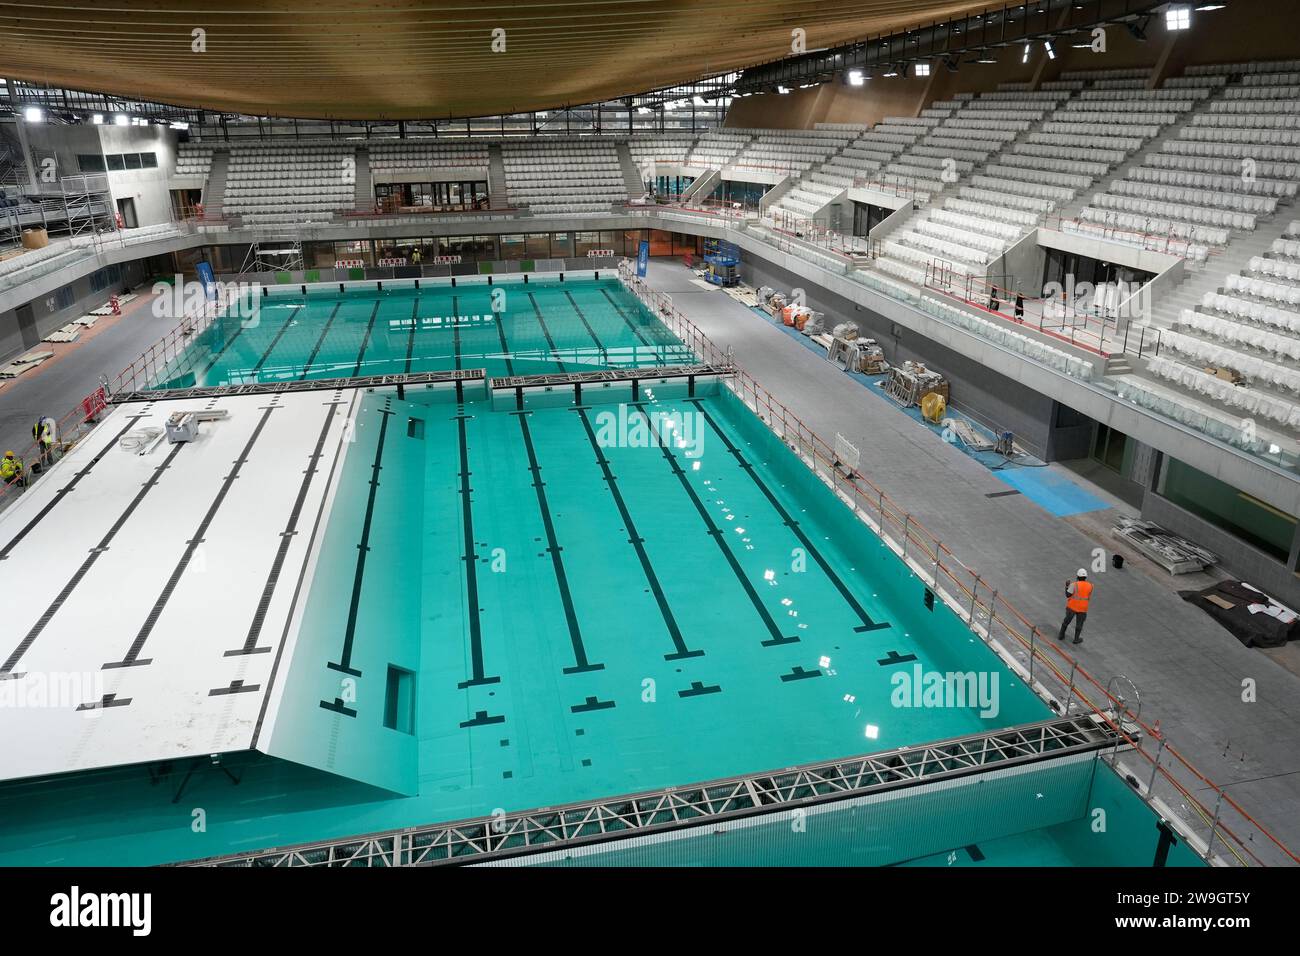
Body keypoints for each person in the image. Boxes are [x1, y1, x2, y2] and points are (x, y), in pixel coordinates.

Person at [1058, 568, 1093, 645]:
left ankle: (1061, 635)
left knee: (1066, 621)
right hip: (1083, 608)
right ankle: (1076, 639)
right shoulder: (1090, 586)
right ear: (1085, 577)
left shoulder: (1074, 585)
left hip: (1072, 607)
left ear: (1077, 576)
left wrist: (1067, 586)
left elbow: (1068, 595)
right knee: (1079, 624)